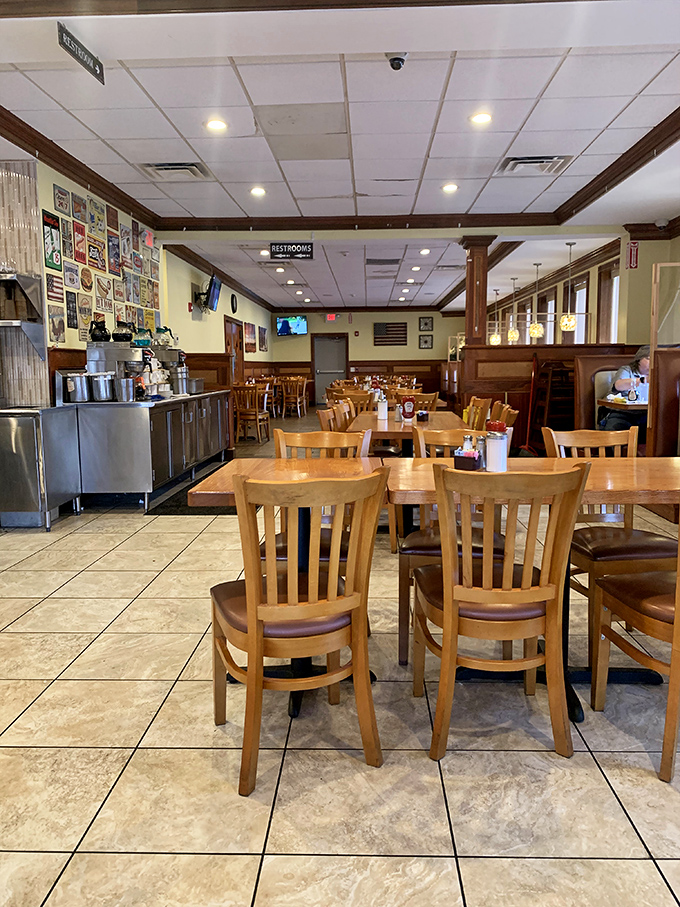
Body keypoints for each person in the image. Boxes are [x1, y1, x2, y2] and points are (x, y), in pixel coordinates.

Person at [599, 345, 650, 437]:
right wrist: (642, 380)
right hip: (622, 414)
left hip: (647, 415)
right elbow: (618, 385)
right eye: (648, 358)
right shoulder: (627, 370)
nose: (652, 362)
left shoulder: (659, 374)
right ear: (639, 360)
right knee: (614, 431)